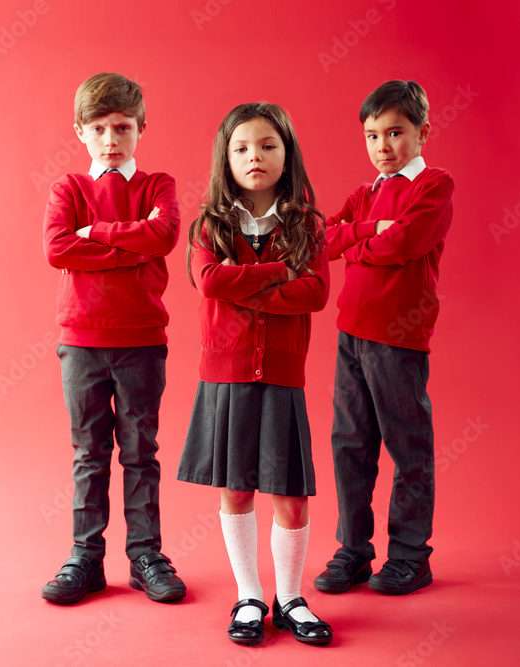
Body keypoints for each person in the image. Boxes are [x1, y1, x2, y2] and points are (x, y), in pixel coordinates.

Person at [177, 102, 332, 646]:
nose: (254, 157)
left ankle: (289, 598)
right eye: (240, 148)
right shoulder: (211, 225)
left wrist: (246, 283)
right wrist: (279, 273)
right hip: (227, 375)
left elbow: (315, 292)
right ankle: (249, 595)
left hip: (283, 375)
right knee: (236, 488)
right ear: (226, 158)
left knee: (291, 496)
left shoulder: (307, 226)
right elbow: (210, 282)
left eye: (268, 145)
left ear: (288, 154)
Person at [40, 72, 185, 605]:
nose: (110, 139)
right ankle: (86, 557)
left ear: (141, 128)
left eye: (122, 127)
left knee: (141, 451)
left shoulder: (158, 186)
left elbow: (164, 235)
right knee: (89, 452)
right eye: (98, 128)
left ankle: (146, 556)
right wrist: (132, 248)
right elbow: (58, 248)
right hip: (81, 342)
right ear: (80, 131)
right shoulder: (69, 189)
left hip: (141, 340)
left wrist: (94, 234)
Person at [314, 80, 453, 596]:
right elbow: (323, 240)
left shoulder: (433, 185)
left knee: (407, 446)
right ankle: (353, 549)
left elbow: (406, 242)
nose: (383, 147)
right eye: (372, 136)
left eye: (395, 133)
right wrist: (369, 231)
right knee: (349, 444)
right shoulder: (366, 194)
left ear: (422, 132)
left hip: (398, 339)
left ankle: (411, 556)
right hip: (350, 334)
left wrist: (356, 242)